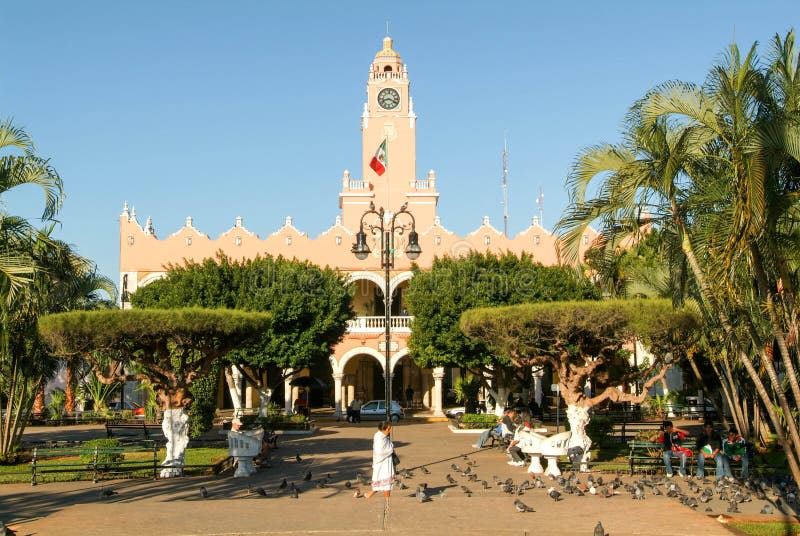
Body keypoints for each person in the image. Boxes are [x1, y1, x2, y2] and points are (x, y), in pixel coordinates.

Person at [363, 421, 394, 500]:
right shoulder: (379, 437)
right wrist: (390, 449)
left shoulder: (384, 436)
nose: (389, 431)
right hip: (381, 463)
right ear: (383, 429)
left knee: (386, 482)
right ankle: (387, 500)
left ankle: (373, 494)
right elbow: (380, 452)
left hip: (386, 462)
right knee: (386, 482)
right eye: (388, 429)